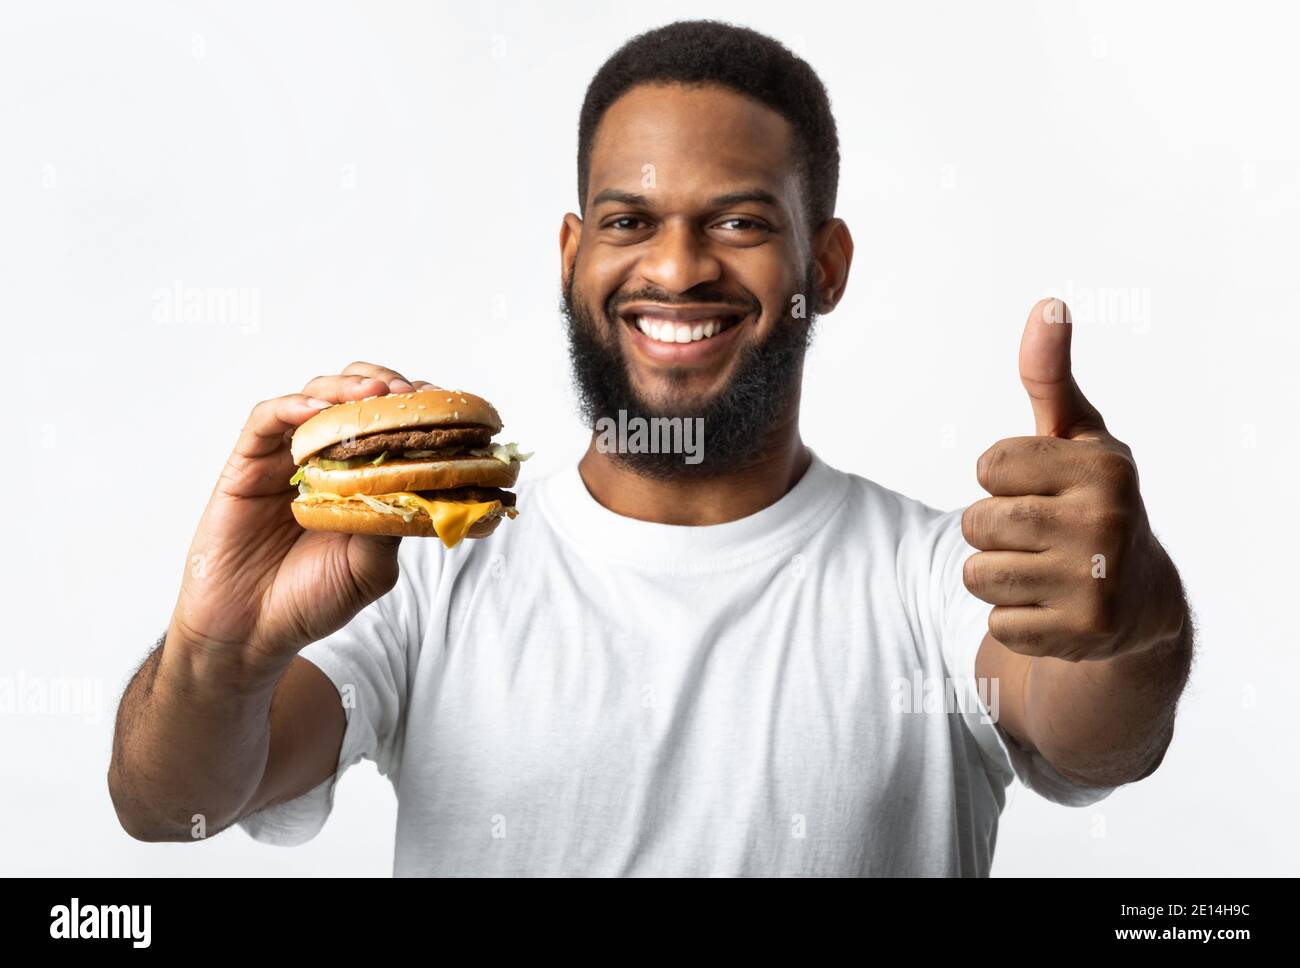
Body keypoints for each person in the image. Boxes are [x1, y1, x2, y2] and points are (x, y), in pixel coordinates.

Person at [108, 20, 1193, 876]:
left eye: (739, 222)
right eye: (628, 221)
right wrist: (218, 652)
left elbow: (1087, 733)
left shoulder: (931, 577)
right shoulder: (420, 564)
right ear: (572, 254)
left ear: (827, 263)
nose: (675, 269)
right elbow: (172, 805)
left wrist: (1134, 624)